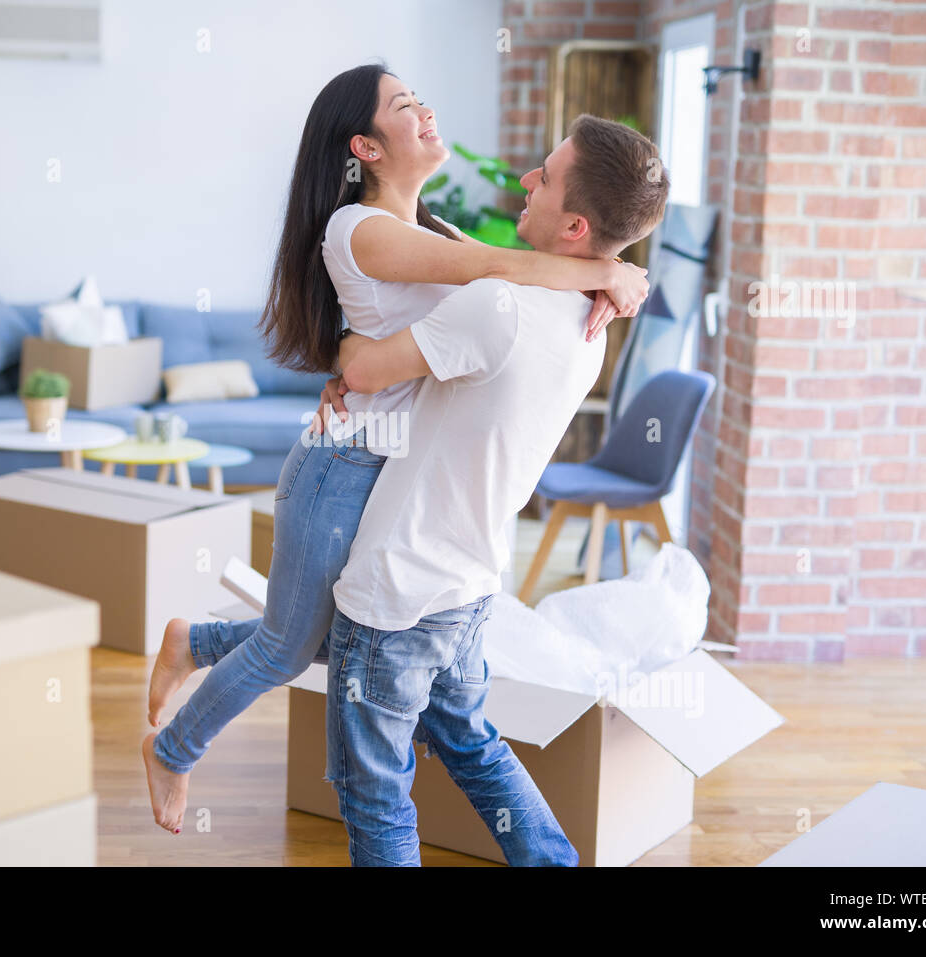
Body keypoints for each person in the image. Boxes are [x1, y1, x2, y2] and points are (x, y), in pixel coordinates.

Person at [142, 63, 650, 836]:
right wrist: (613, 269)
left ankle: (198, 640)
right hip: (343, 464)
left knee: (319, 636)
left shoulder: (432, 233)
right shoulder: (359, 228)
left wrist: (613, 273)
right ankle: (174, 750)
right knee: (288, 645)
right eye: (405, 105)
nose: (425, 109)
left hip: (388, 467)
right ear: (365, 148)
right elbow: (504, 271)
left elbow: (499, 284)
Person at [324, 114, 671, 865]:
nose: (524, 180)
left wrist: (348, 345)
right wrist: (614, 271)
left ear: (575, 225)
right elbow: (474, 255)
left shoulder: (500, 306)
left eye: (543, 177)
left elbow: (361, 371)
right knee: (472, 746)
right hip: (471, 583)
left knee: (375, 793)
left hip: (399, 586)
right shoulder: (591, 315)